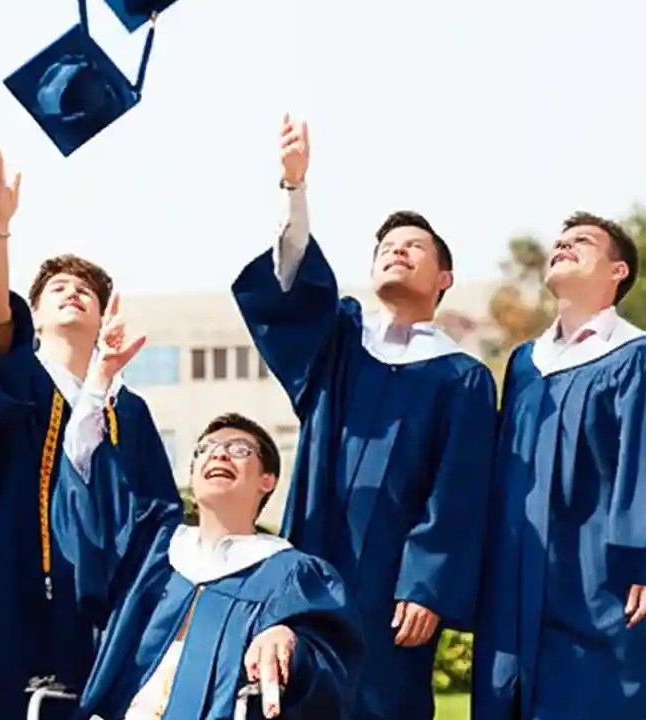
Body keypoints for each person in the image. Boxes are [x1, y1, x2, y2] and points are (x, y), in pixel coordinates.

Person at [230, 116, 497, 720]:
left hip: (394, 581)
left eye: (413, 247)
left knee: (385, 701)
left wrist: (426, 583)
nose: (395, 251)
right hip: (316, 552)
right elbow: (293, 287)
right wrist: (293, 188)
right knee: (300, 691)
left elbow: (459, 492)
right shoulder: (341, 342)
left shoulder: (462, 376)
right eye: (385, 247)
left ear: (444, 279)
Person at [50, 299, 364, 720]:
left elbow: (334, 674)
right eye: (206, 450)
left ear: (267, 480)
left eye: (238, 449)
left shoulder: (291, 574)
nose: (219, 455)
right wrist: (100, 378)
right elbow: (87, 493)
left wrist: (289, 638)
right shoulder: (150, 548)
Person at [0, 150, 182, 719]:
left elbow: (157, 512)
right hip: (18, 581)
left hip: (108, 604)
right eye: (57, 287)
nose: (72, 292)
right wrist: (0, 228)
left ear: (107, 318)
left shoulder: (127, 410)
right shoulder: (26, 381)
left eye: (86, 290)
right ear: (32, 312)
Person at [473, 212, 646, 719]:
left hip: (597, 575)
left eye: (582, 242)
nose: (563, 245)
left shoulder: (634, 356)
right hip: (515, 571)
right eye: (560, 241)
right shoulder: (526, 364)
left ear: (618, 271)